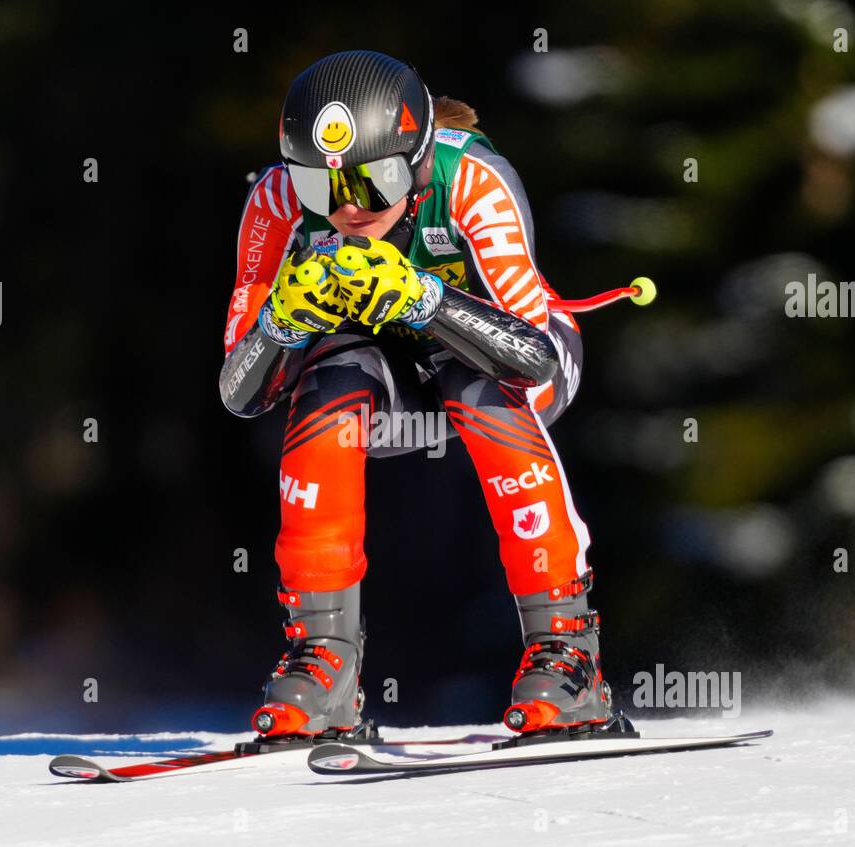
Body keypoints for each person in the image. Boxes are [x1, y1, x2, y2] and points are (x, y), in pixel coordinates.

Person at [219, 50, 607, 741]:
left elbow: (537, 361)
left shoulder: (471, 180)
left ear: (420, 160)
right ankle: (323, 662)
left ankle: (568, 649)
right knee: (327, 387)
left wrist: (427, 299)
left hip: (499, 360)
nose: (347, 208)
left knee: (482, 390)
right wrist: (280, 321)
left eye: (377, 182)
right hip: (385, 382)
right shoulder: (276, 203)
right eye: (322, 186)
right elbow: (242, 392)